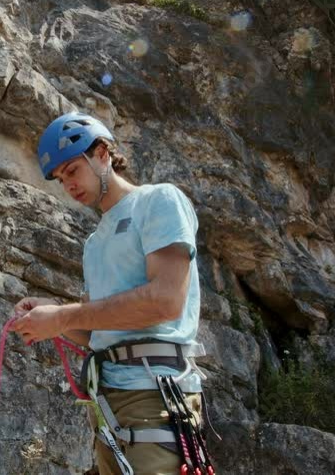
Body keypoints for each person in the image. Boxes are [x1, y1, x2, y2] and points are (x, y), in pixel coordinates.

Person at [13, 112, 210, 475]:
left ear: (102, 152)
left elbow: (167, 300)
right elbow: (98, 333)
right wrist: (52, 315)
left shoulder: (158, 201)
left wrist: (62, 316)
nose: (68, 184)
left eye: (72, 169)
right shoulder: (94, 242)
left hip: (155, 395)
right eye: (60, 179)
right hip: (107, 404)